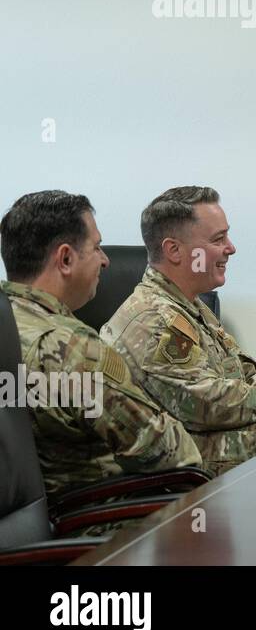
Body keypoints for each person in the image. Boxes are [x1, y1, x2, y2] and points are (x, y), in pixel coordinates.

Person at [104, 187, 256, 474]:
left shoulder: (188, 304)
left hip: (208, 438)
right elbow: (205, 404)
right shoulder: (154, 318)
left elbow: (238, 373)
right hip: (181, 460)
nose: (231, 247)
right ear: (174, 250)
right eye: (219, 239)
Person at [0, 191, 202, 498]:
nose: (106, 260)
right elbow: (172, 456)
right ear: (65, 259)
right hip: (99, 524)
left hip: (28, 532)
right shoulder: (71, 349)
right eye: (96, 247)